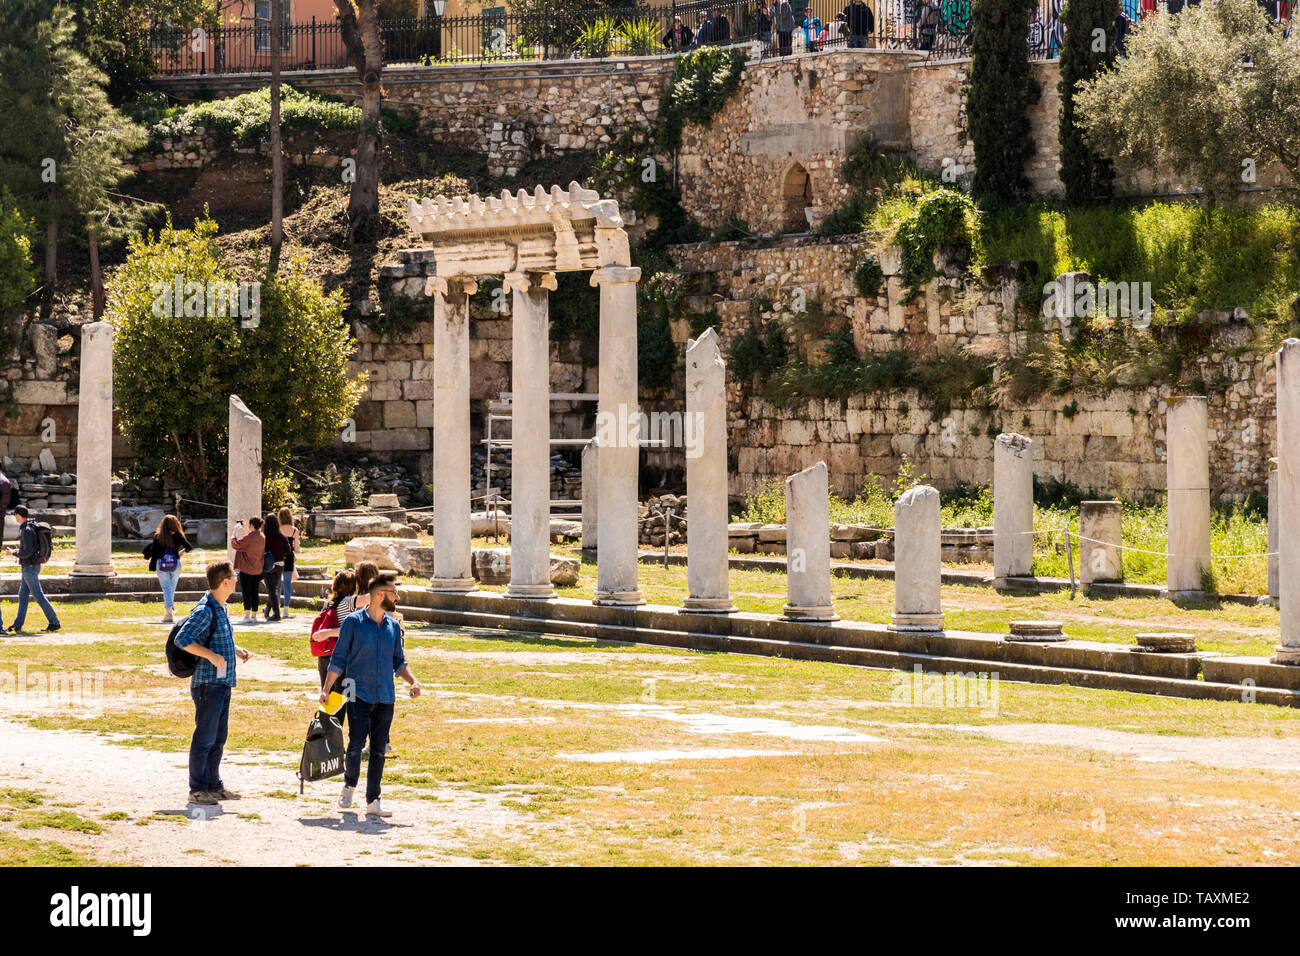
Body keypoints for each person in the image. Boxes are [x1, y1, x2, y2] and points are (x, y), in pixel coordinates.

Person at [320, 573, 421, 818]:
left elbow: (399, 661)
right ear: (379, 595)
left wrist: (413, 680)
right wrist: (326, 689)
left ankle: (373, 799)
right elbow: (339, 658)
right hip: (357, 692)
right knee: (355, 744)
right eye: (393, 593)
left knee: (378, 750)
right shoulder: (353, 623)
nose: (397, 597)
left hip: (386, 696)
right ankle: (349, 785)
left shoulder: (393, 626)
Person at [174, 560, 249, 806]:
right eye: (234, 576)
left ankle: (214, 786)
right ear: (225, 581)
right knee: (205, 738)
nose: (237, 579)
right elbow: (183, 639)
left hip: (223, 682)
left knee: (218, 737)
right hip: (208, 684)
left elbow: (213, 638)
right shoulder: (205, 609)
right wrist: (211, 656)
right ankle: (197, 789)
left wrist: (234, 650)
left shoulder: (221, 607)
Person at [312, 568, 357, 730]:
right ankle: (334, 738)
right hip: (339, 656)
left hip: (324, 655)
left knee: (327, 695)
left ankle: (324, 735)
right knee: (340, 698)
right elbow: (348, 631)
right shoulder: (348, 603)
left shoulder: (328, 603)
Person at [5, 505, 58, 634]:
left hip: (29, 567)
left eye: (15, 515)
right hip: (30, 567)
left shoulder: (27, 530)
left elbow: (27, 551)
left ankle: (54, 622)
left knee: (38, 595)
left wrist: (14, 553)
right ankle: (17, 625)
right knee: (22, 595)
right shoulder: (30, 527)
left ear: (18, 515)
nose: (15, 517)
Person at [143, 514, 193, 624]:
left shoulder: (158, 536)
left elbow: (155, 553)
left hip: (161, 564)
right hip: (175, 563)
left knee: (166, 588)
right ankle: (169, 611)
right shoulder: (178, 535)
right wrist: (180, 553)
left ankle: (169, 612)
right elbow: (189, 547)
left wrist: (151, 564)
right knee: (171, 588)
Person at [230, 516, 266, 625]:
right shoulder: (262, 536)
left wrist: (234, 533)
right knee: (255, 592)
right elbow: (251, 537)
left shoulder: (249, 538)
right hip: (258, 568)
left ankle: (246, 615)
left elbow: (236, 545)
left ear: (252, 525)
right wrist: (246, 528)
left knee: (246, 592)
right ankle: (254, 615)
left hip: (246, 568)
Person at [261, 512, 288, 622]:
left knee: (271, 590)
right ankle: (267, 609)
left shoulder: (264, 537)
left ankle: (277, 614)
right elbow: (288, 549)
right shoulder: (282, 536)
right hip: (280, 564)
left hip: (268, 565)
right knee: (273, 589)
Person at [278, 507, 301, 619]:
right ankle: (286, 610)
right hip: (289, 558)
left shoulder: (277, 529)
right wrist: (299, 550)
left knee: (277, 584)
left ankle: (276, 607)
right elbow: (296, 549)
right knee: (287, 584)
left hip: (278, 557)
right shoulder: (294, 530)